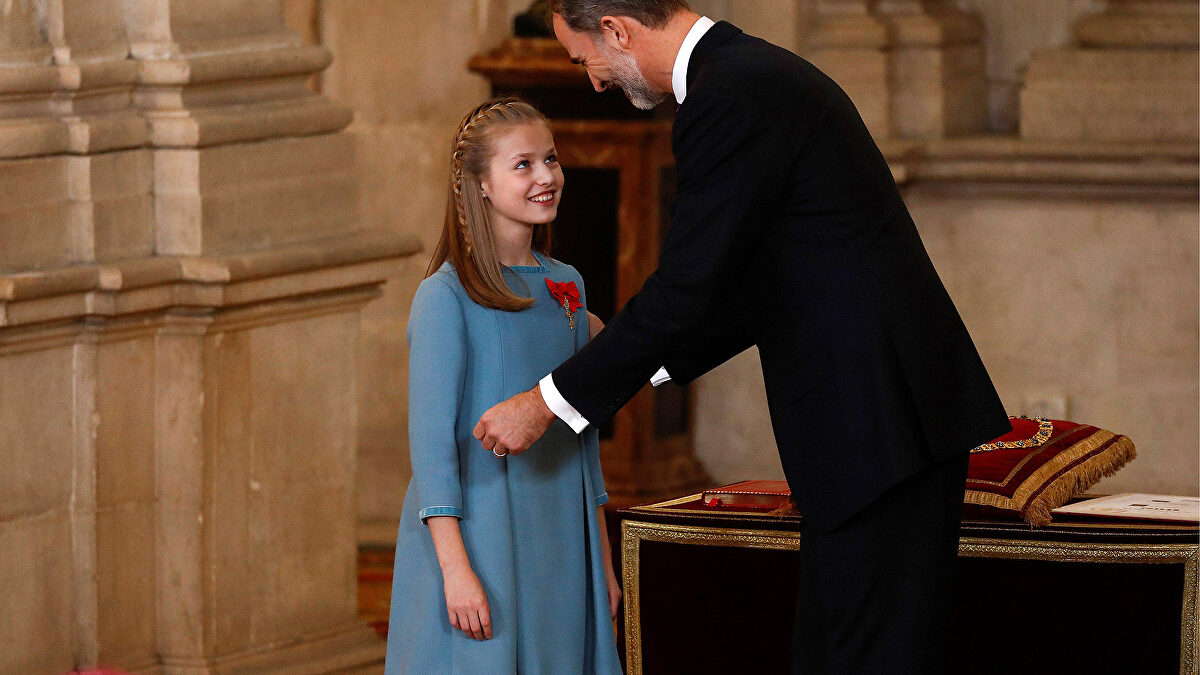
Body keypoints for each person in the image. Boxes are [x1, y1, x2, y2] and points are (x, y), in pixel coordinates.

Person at [471, 2, 1012, 673]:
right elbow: (755, 284)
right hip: (883, 423)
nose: (594, 82)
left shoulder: (728, 97)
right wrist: (635, 354)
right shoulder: (747, 75)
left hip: (878, 426)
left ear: (616, 28)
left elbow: (687, 287)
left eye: (585, 60)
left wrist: (545, 402)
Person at [385, 97, 623, 674]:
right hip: (479, 537)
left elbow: (580, 433)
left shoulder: (567, 285)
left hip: (563, 533)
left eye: (552, 159)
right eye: (523, 165)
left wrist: (605, 564)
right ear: (481, 185)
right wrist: (456, 572)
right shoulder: (445, 297)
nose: (547, 177)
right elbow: (432, 451)